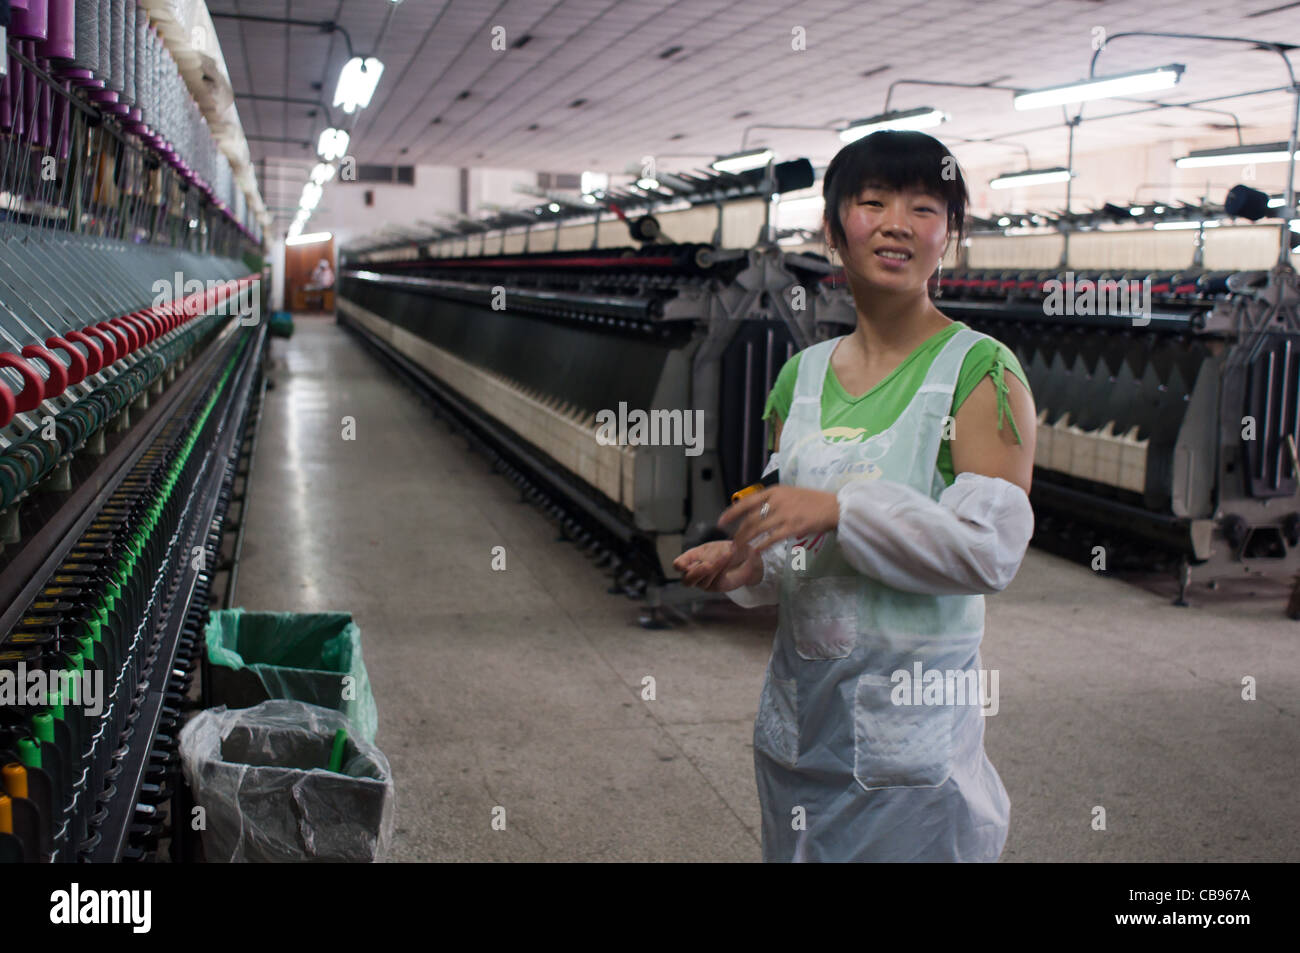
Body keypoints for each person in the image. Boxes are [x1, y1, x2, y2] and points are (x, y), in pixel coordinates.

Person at [673, 130, 1037, 862]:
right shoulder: (798, 378)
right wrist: (747, 563)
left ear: (949, 235)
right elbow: (792, 541)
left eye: (925, 207)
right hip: (802, 730)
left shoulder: (980, 374)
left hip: (910, 745)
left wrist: (843, 510)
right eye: (873, 202)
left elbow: (987, 551)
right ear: (835, 231)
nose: (898, 222)